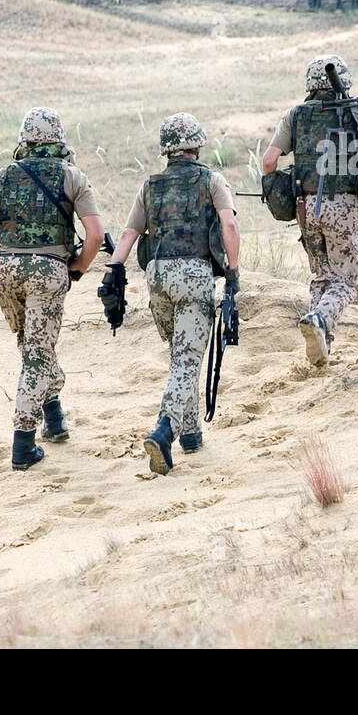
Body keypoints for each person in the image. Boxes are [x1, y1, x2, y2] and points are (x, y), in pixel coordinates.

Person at [109, 113, 240, 475]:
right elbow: (228, 223)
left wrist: (113, 275)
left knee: (183, 352)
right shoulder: (212, 180)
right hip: (195, 275)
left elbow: (127, 235)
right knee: (187, 358)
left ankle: (191, 434)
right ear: (197, 145)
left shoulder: (149, 186)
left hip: (158, 276)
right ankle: (164, 431)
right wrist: (233, 270)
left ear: (166, 149)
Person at [0, 107, 104, 471]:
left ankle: (55, 417)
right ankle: (23, 445)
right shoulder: (73, 176)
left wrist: (4, 264)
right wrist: (78, 266)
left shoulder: (1, 178)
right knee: (38, 354)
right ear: (59, 138)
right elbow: (94, 235)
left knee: (31, 343)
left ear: (23, 139)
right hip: (49, 271)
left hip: (7, 267)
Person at [260, 55, 358, 365]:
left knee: (321, 276)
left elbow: (269, 161)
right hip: (342, 204)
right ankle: (320, 320)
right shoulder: (355, 112)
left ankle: (320, 347)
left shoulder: (295, 115)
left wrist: (280, 185)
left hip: (305, 205)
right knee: (345, 280)